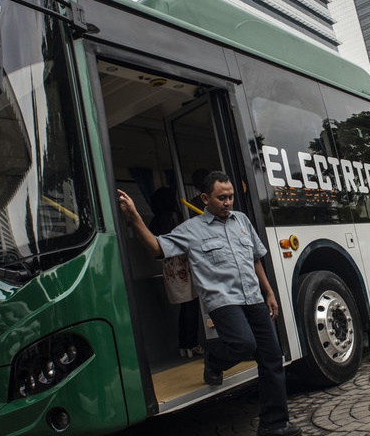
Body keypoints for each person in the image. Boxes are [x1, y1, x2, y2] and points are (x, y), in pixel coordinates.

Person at [117, 171, 301, 436]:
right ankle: (214, 358)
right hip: (223, 301)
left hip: (254, 296)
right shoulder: (191, 230)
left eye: (230, 197)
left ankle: (274, 425)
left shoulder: (243, 221)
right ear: (205, 198)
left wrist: (269, 293)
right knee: (244, 344)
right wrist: (135, 219)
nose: (228, 202)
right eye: (221, 197)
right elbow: (157, 248)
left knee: (271, 357)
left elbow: (255, 258)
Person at [146, 187, 203, 358]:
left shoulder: (156, 221)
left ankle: (184, 345)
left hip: (170, 268)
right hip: (183, 265)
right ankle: (192, 345)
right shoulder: (173, 218)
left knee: (184, 307)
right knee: (191, 306)